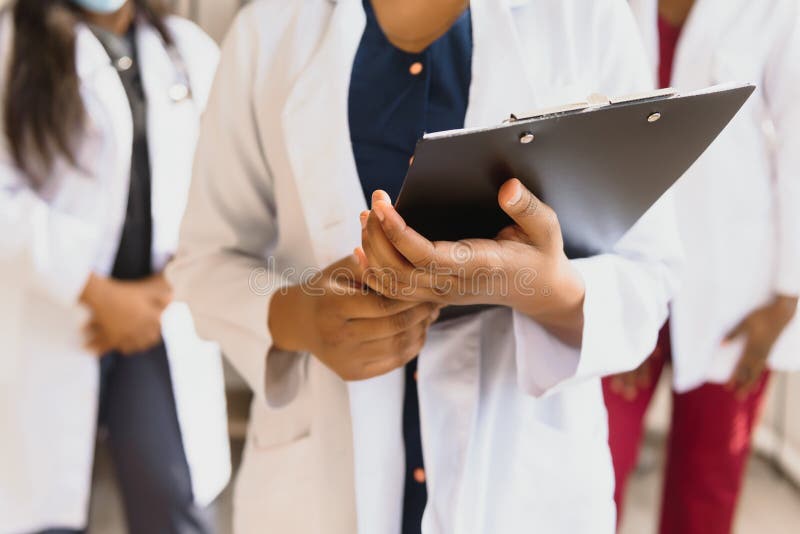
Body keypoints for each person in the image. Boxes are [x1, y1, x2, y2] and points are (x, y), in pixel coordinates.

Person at [168, 0, 682, 533]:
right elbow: (208, 258)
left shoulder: (583, 17)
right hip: (318, 484)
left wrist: (544, 288)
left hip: (524, 485)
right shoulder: (269, 32)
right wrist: (299, 316)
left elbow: (647, 268)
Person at [0, 1, 230, 533]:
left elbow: (229, 189)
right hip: (57, 312)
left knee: (174, 501)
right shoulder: (12, 44)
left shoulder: (188, 50)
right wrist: (96, 292)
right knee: (40, 511)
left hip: (159, 313)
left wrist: (164, 289)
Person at [605, 1, 800, 533]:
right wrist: (599, 288)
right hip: (621, 274)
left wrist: (787, 297)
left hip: (734, 296)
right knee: (592, 478)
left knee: (704, 496)